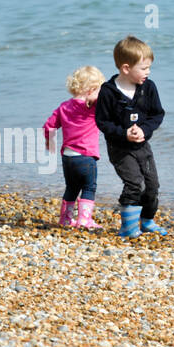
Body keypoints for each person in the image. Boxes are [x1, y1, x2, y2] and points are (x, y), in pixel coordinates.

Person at [95, 35, 166, 238]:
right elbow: (102, 122)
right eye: (143, 68)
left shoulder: (148, 87)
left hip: (142, 145)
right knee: (135, 183)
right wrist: (123, 133)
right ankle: (127, 226)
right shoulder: (108, 92)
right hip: (119, 148)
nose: (148, 72)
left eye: (149, 67)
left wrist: (144, 130)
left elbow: (157, 114)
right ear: (126, 68)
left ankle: (147, 221)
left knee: (152, 185)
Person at [43, 65, 104, 229]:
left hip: (68, 157)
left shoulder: (64, 107)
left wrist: (49, 141)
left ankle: (65, 219)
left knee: (71, 187)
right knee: (89, 187)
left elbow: (49, 126)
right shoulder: (93, 107)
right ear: (91, 90)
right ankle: (84, 219)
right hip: (86, 156)